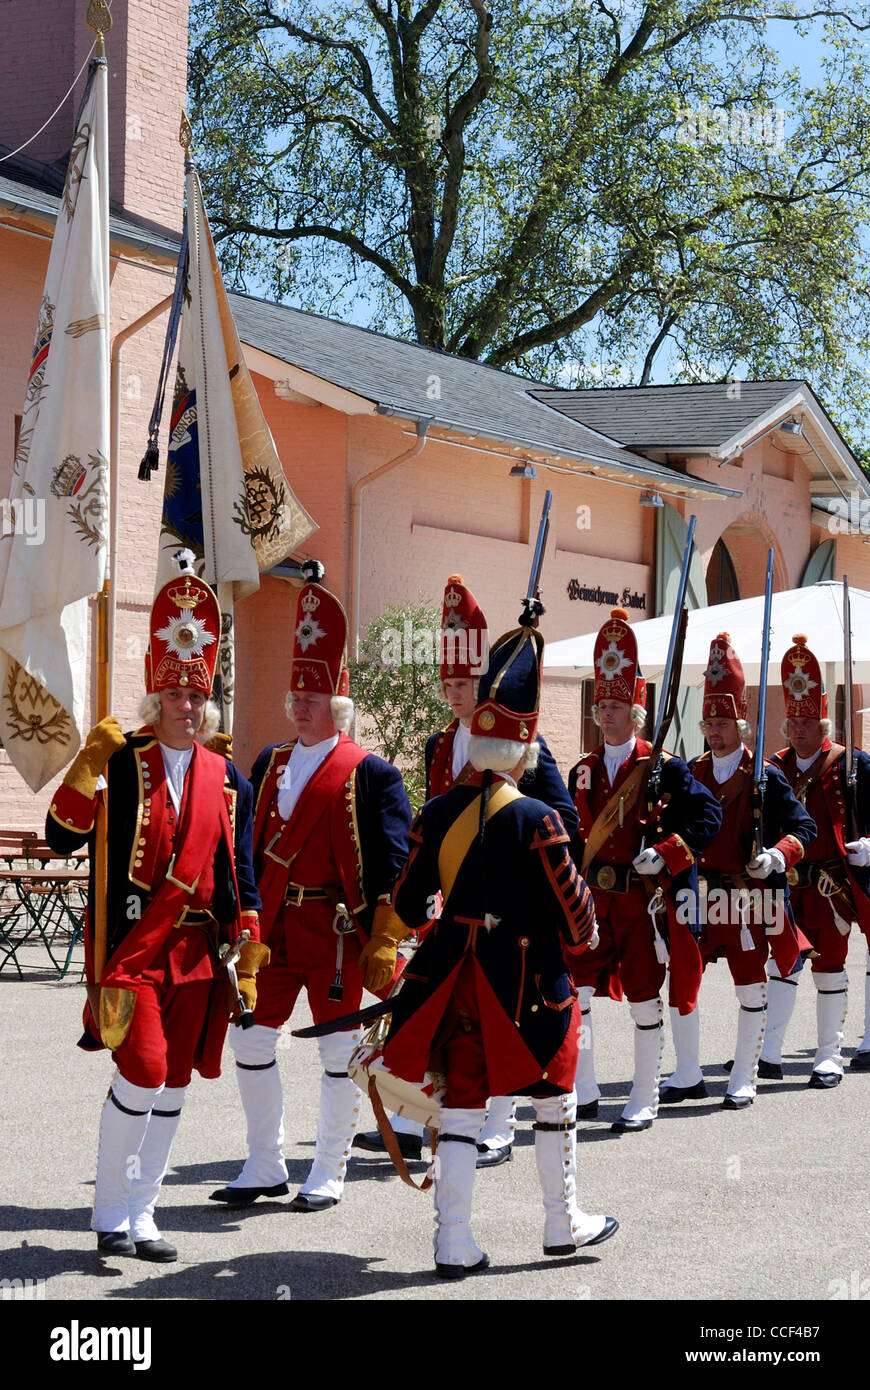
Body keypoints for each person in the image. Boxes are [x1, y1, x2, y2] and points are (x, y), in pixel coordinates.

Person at [377, 612, 617, 1277]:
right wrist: (590, 934)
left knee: (461, 1102)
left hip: (457, 979)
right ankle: (562, 1221)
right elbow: (575, 916)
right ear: (524, 749)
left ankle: (452, 1240)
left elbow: (402, 903)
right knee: (554, 1096)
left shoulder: (436, 814)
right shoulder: (538, 819)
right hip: (531, 984)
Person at [45, 557, 264, 1261]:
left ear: (209, 702)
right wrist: (83, 766)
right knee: (141, 1069)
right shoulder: (118, 760)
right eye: (173, 694)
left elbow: (242, 875)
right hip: (136, 952)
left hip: (199, 958)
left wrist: (250, 943)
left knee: (172, 1086)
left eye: (195, 697)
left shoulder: (227, 776)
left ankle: (141, 1214)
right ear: (154, 695)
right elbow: (59, 838)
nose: (185, 707)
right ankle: (108, 1209)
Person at [354, 574, 577, 1167]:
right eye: (447, 682)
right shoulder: (436, 744)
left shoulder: (527, 749)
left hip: (512, 909)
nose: (454, 693)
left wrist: (524, 843)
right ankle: (429, 1119)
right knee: (447, 1023)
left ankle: (495, 1129)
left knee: (506, 1011)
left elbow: (566, 821)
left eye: (464, 683)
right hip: (445, 905)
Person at [210, 580, 412, 1212]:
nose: (300, 704)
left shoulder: (371, 771)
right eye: (296, 692)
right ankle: (265, 1163)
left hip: (335, 931)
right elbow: (243, 842)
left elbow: (394, 859)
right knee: (249, 1039)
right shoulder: (270, 762)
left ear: (339, 701)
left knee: (334, 1053)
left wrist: (386, 934)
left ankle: (329, 1168)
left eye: (313, 694)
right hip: (271, 927)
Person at [569, 608, 722, 1132]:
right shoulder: (582, 770)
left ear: (636, 710)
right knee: (579, 992)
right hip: (592, 899)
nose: (607, 713)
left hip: (640, 899)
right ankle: (582, 1089)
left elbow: (708, 815)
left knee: (642, 994)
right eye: (602, 704)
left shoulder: (664, 765)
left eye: (617, 705)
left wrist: (669, 852)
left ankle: (645, 1094)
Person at [661, 632, 816, 1109]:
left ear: (742, 724)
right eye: (709, 720)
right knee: (682, 980)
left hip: (750, 898)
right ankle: (688, 1073)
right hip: (700, 897)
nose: (714, 729)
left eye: (723, 721)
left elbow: (804, 827)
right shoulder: (692, 771)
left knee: (751, 983)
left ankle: (744, 1075)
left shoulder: (765, 776)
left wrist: (777, 855)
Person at [759, 636, 870, 1087]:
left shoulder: (853, 765)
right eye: (793, 721)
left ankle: (829, 1055)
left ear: (822, 722)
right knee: (779, 962)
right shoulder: (773, 768)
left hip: (832, 885)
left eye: (807, 720)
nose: (799, 728)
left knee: (829, 965)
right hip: (785, 883)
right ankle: (766, 1052)